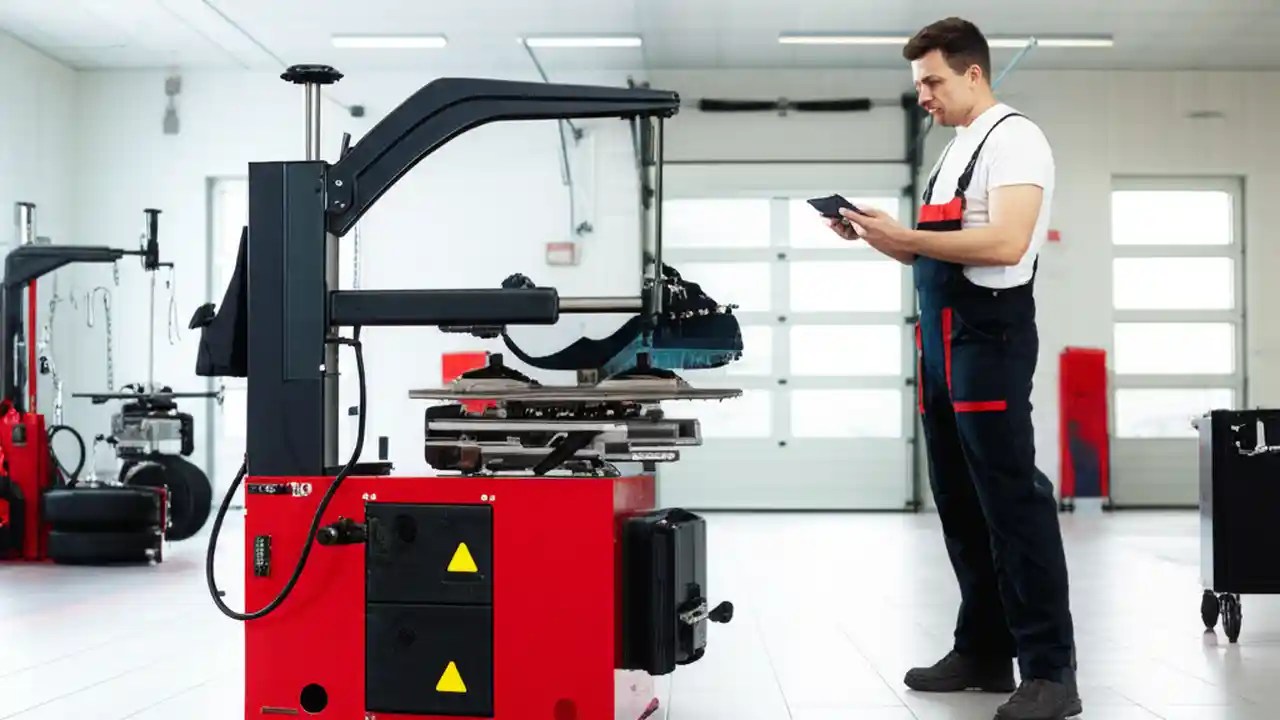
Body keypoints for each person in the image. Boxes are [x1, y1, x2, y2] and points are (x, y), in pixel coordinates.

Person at [826, 17, 1080, 720]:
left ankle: (1051, 672)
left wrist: (905, 233)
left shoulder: (1015, 139)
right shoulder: (954, 151)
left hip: (988, 339)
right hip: (942, 342)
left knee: (1012, 501)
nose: (923, 96)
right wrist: (876, 234)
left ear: (973, 73)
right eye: (918, 85)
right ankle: (984, 650)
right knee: (960, 501)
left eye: (932, 81)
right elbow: (930, 248)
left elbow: (1006, 242)